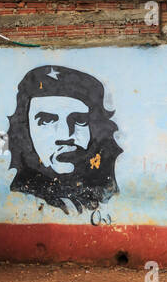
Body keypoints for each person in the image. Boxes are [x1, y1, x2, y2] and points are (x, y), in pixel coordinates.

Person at [6, 65, 122, 214]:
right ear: (24, 129)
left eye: (79, 120)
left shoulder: (105, 189)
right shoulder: (21, 195)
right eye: (46, 121)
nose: (65, 135)